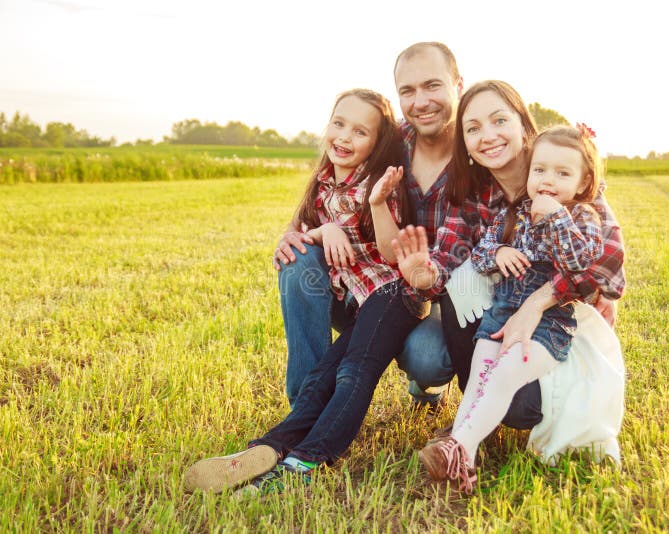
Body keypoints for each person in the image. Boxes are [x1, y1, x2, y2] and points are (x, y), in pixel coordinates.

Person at [182, 89, 427, 495]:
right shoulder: (323, 183)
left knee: (352, 372)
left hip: (392, 294)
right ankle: (270, 446)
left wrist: (376, 203)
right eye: (339, 123)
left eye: (360, 131)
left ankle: (305, 459)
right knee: (326, 374)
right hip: (359, 299)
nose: (344, 137)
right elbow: (298, 235)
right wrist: (321, 229)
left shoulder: (381, 182)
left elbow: (391, 253)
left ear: (377, 142)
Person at [390, 81, 626, 491]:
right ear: (463, 141)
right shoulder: (487, 200)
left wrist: (538, 301)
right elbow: (453, 262)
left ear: (524, 126)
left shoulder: (572, 195)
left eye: (500, 120)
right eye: (473, 128)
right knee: (466, 305)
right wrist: (421, 274)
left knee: (509, 391)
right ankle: (463, 448)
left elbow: (600, 264)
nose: (488, 136)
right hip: (496, 316)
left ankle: (466, 439)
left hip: (553, 325)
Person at [271, 42, 463, 409]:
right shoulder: (389, 143)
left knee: (427, 356)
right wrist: (293, 239)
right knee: (300, 264)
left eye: (432, 86)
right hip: (361, 292)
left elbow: (543, 167)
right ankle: (305, 404)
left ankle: (426, 383)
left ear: (457, 83)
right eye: (408, 90)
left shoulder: (478, 144)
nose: (420, 101)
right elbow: (308, 214)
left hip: (425, 293)